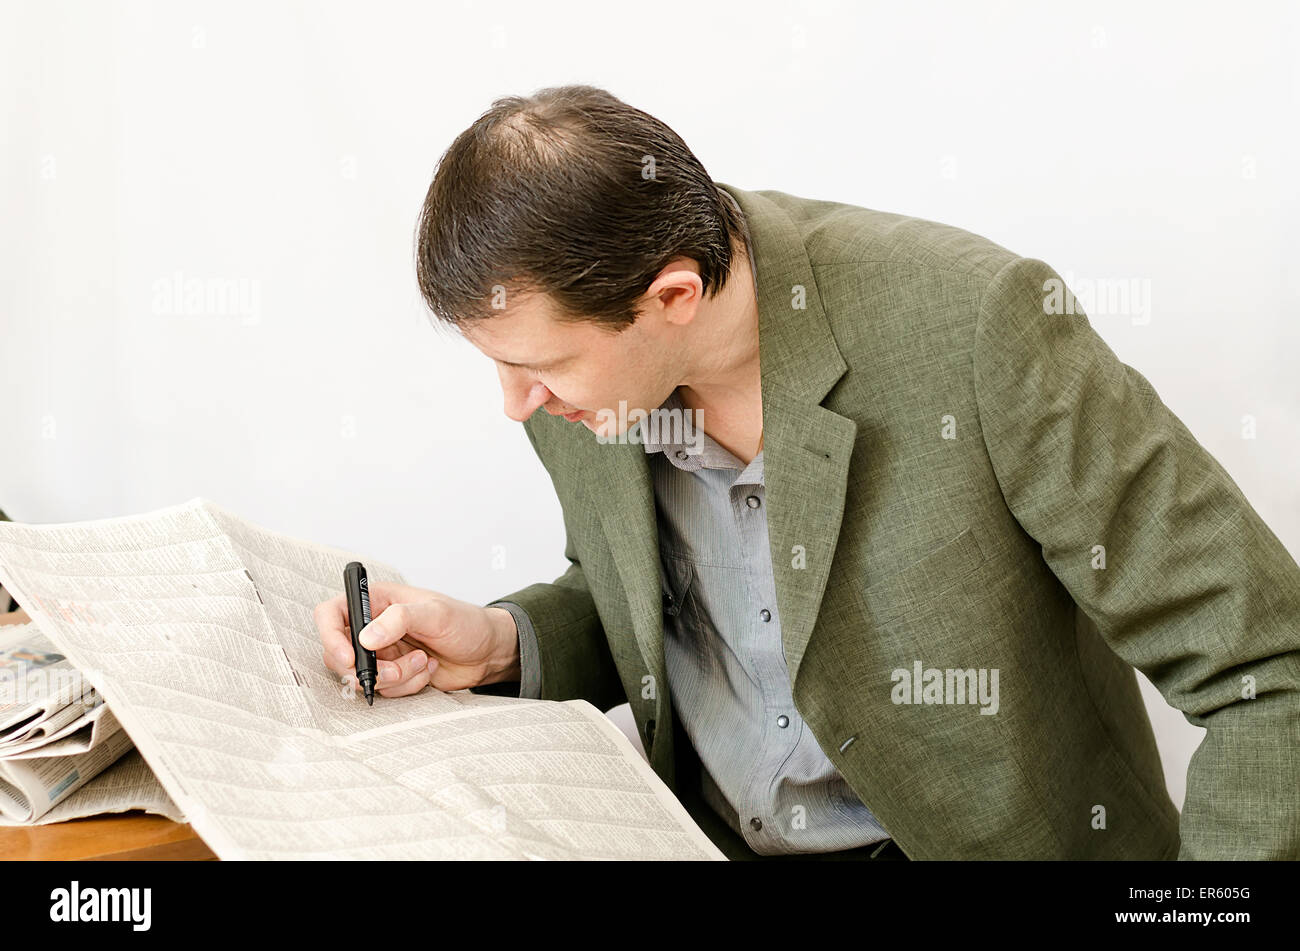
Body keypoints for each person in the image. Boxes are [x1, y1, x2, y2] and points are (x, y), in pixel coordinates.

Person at [315, 84, 1300, 861]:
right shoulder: (584, 384)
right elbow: (668, 604)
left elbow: (1268, 675)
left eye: (538, 367)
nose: (514, 403)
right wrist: (496, 642)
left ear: (671, 296)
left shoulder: (979, 327)